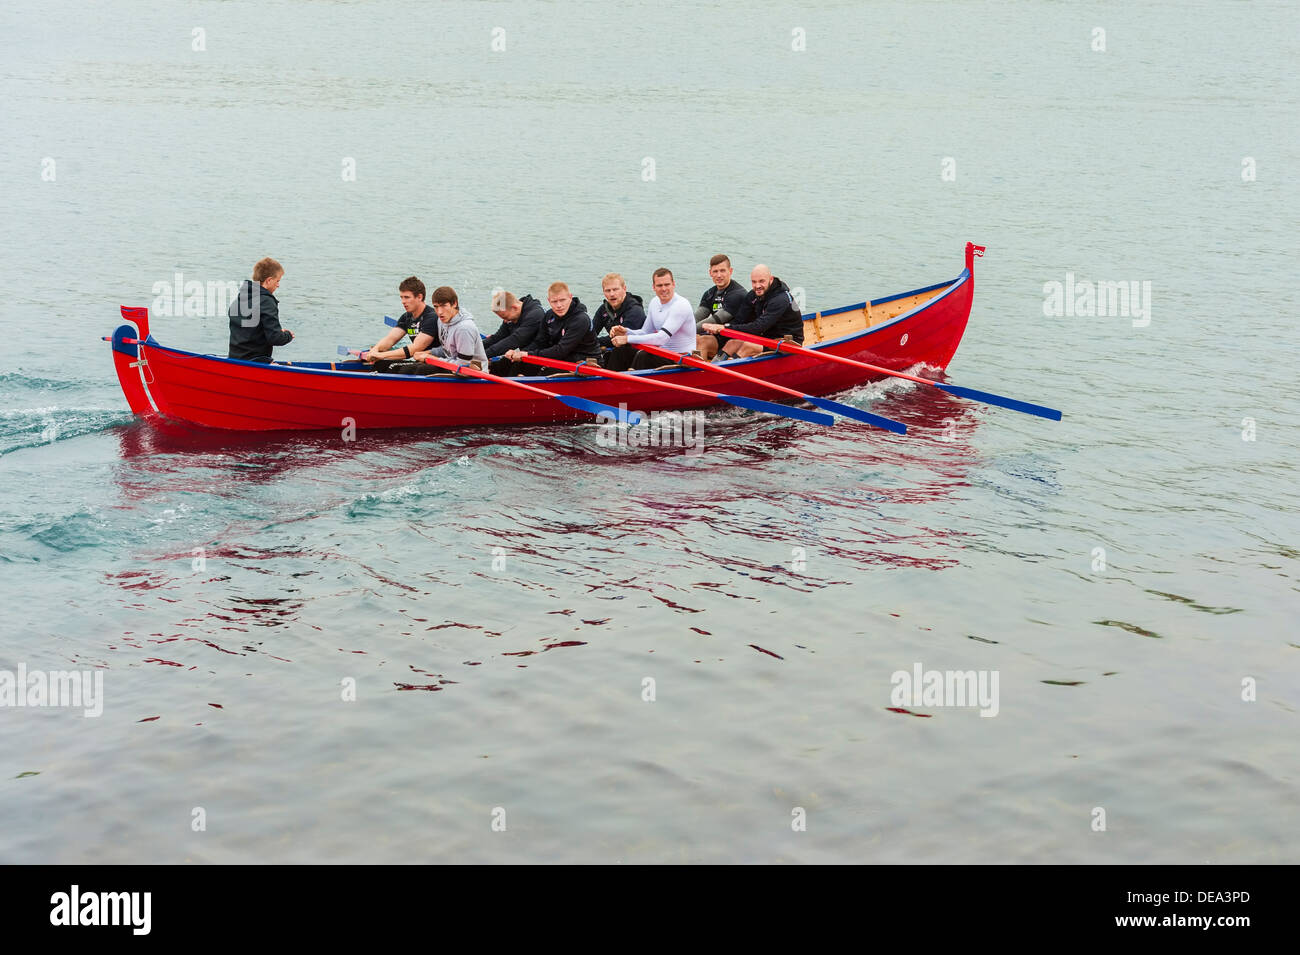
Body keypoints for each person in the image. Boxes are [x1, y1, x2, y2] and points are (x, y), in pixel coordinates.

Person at [699, 264, 803, 361]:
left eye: (761, 281)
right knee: (732, 343)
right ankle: (714, 369)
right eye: (754, 282)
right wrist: (719, 329)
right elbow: (739, 321)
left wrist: (724, 328)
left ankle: (728, 373)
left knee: (748, 347)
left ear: (770, 279)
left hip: (788, 342)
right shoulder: (752, 296)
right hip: (766, 338)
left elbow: (759, 327)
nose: (757, 286)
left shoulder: (780, 299)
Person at [495, 282, 598, 376]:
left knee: (544, 371)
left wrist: (527, 354)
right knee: (515, 363)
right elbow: (540, 342)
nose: (559, 305)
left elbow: (561, 350)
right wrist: (518, 354)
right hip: (561, 359)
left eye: (562, 300)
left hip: (583, 363)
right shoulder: (549, 316)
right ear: (549, 301)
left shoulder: (580, 319)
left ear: (570, 297)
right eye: (554, 301)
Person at [605, 268, 696, 371]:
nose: (664, 289)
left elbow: (661, 338)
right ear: (653, 287)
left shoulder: (681, 305)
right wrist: (626, 332)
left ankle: (631, 383)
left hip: (681, 358)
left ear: (673, 284)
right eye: (659, 285)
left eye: (667, 284)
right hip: (662, 353)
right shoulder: (654, 302)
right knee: (621, 351)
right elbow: (645, 332)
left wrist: (627, 339)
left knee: (644, 356)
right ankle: (607, 383)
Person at [386, 286, 487, 375]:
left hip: (472, 373)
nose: (439, 312)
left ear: (454, 303)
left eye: (444, 306)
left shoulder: (464, 328)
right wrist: (428, 352)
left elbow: (463, 364)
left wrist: (431, 358)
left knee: (420, 370)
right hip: (452, 365)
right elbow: (446, 350)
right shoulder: (442, 320)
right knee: (408, 369)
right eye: (436, 307)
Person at [363, 276, 440, 368]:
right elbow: (390, 339)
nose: (403, 302)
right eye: (401, 297)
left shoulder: (431, 317)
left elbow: (416, 348)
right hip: (420, 360)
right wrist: (375, 350)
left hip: (438, 361)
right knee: (379, 365)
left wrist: (381, 355)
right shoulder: (406, 317)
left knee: (401, 369)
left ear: (419, 297)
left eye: (407, 297)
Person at [227, 257, 293, 362]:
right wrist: (287, 335)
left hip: (235, 359)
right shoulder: (266, 301)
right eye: (277, 281)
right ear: (269, 280)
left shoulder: (240, 298)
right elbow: (275, 338)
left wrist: (277, 333)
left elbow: (250, 331)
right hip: (256, 361)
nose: (278, 285)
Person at [483, 290, 544, 360]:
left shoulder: (535, 315)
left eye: (506, 317)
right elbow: (497, 337)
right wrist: (476, 348)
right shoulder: (512, 314)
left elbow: (515, 340)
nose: (505, 321)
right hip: (526, 353)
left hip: (543, 356)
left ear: (514, 307)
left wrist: (483, 355)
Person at [590, 274, 646, 350]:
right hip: (615, 348)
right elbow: (591, 334)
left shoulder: (635, 310)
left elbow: (620, 338)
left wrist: (592, 343)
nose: (612, 294)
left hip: (636, 351)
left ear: (624, 289)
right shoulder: (603, 309)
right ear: (604, 292)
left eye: (615, 289)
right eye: (608, 290)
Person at [695, 254, 747, 330]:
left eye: (722, 271)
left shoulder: (738, 294)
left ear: (730, 271)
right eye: (715, 271)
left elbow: (715, 320)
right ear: (710, 273)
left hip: (736, 335)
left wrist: (687, 331)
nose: (719, 275)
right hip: (717, 333)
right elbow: (696, 318)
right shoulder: (709, 294)